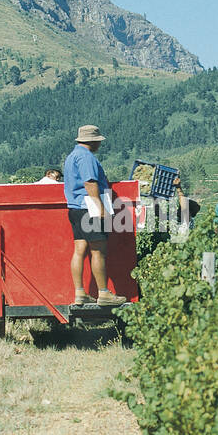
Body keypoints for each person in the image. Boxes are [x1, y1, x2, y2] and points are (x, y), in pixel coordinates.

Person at [63, 125, 127, 306]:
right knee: (99, 251)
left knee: (79, 251)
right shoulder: (86, 157)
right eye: (98, 141)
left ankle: (80, 293)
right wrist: (100, 208)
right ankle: (104, 294)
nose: (99, 144)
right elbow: (90, 182)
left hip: (75, 208)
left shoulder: (71, 156)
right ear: (92, 141)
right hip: (89, 207)